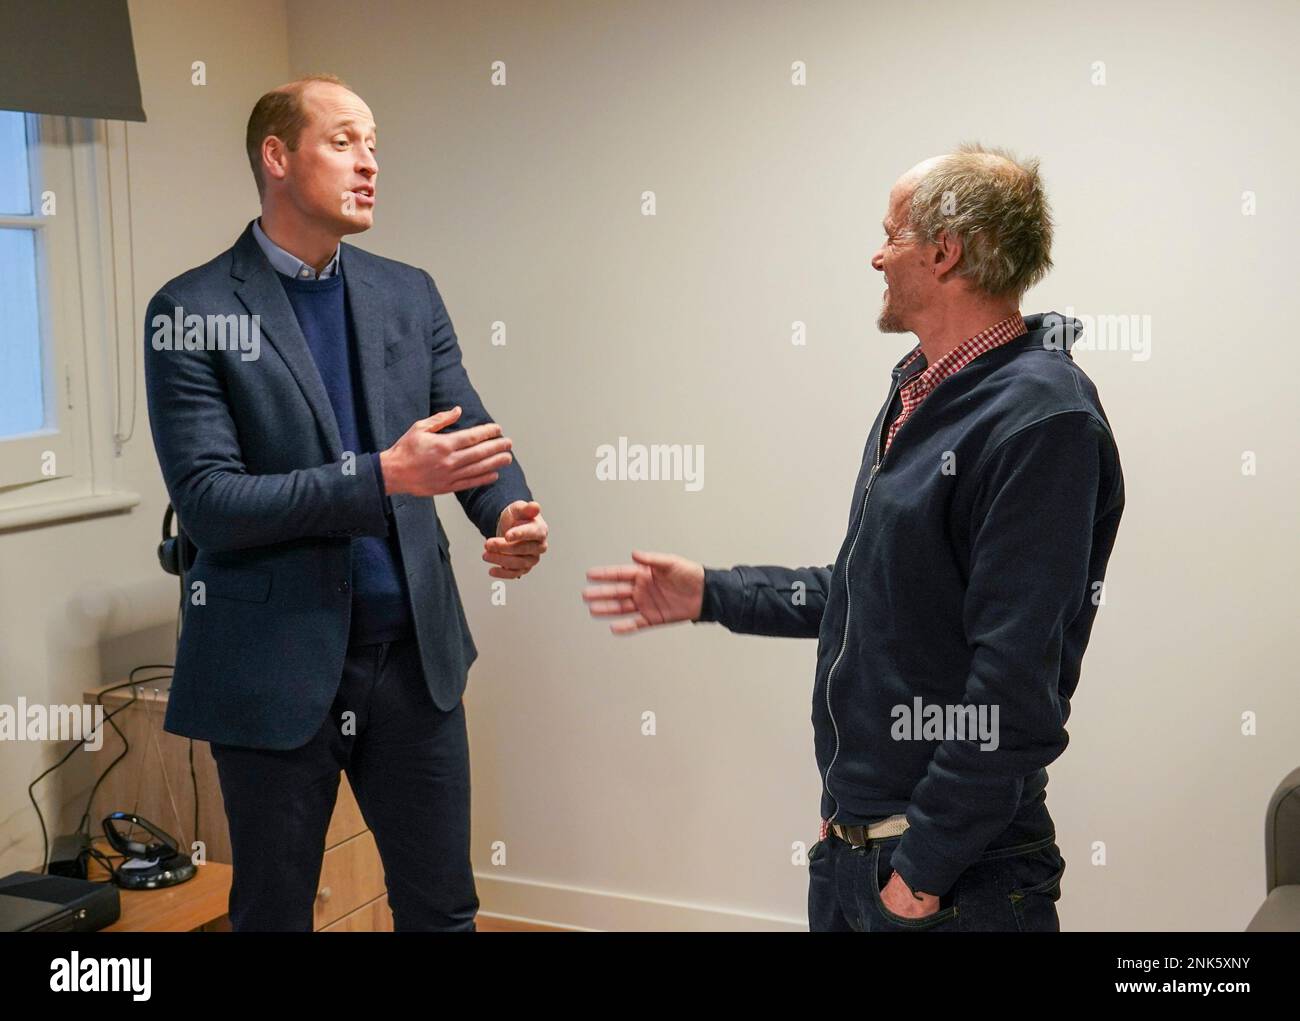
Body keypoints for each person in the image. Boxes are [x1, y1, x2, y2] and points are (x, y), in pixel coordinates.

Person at [583, 144, 1123, 932]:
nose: (876, 256)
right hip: (856, 854)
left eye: (892, 235)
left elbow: (1014, 686)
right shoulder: (922, 390)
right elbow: (874, 592)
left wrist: (921, 873)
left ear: (946, 251)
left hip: (950, 883)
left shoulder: (1042, 417)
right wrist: (713, 592)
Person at [144, 73, 549, 931]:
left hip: (413, 661)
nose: (369, 164)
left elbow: (466, 432)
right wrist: (382, 477)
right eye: (344, 141)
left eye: (374, 146)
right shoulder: (191, 310)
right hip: (272, 666)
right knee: (275, 914)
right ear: (277, 157)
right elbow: (212, 503)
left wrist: (508, 512)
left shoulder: (408, 290)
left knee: (443, 910)